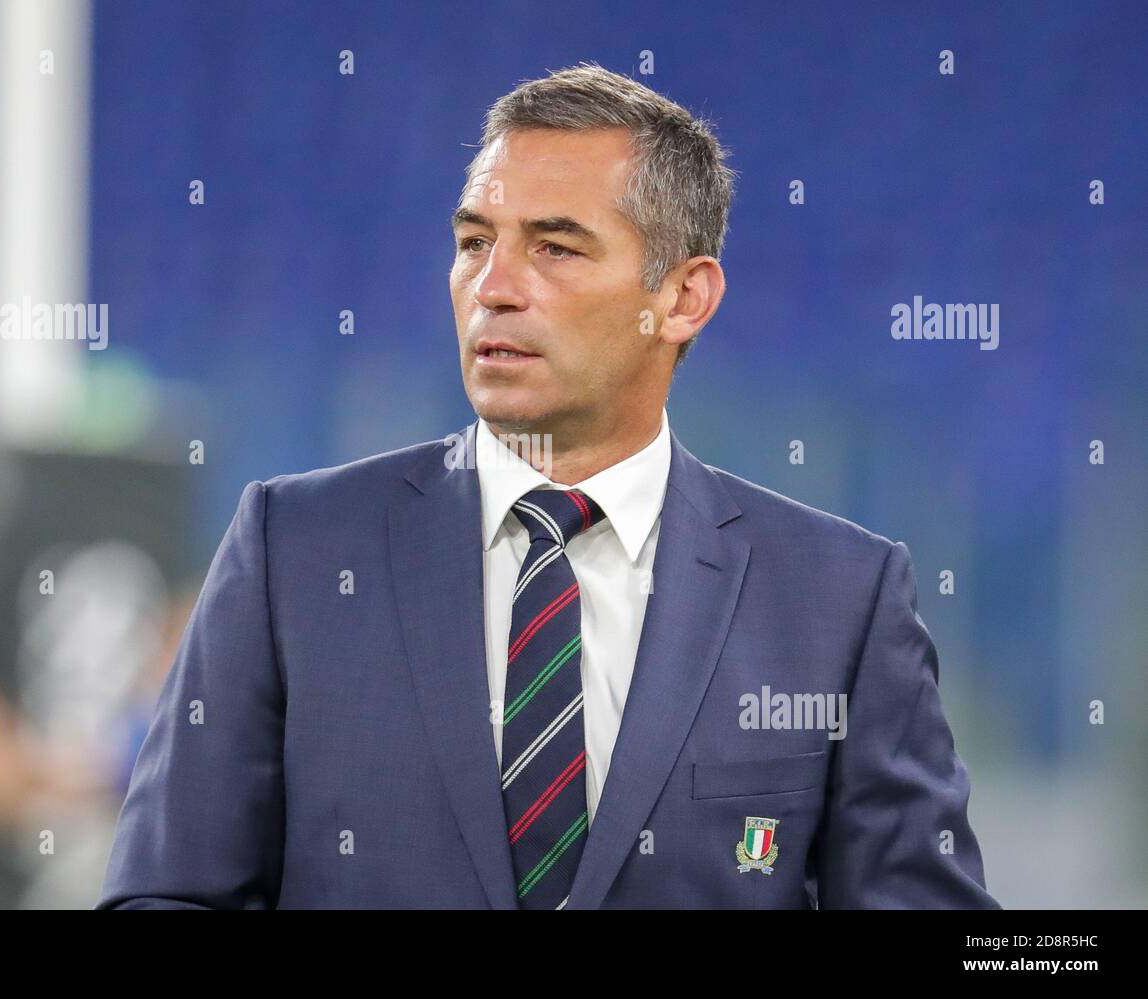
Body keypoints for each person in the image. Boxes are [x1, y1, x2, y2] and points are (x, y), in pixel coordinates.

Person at [97, 62, 997, 909]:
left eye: (556, 249)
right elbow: (168, 893)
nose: (493, 287)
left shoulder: (836, 598)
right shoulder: (294, 551)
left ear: (682, 299)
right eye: (473, 242)